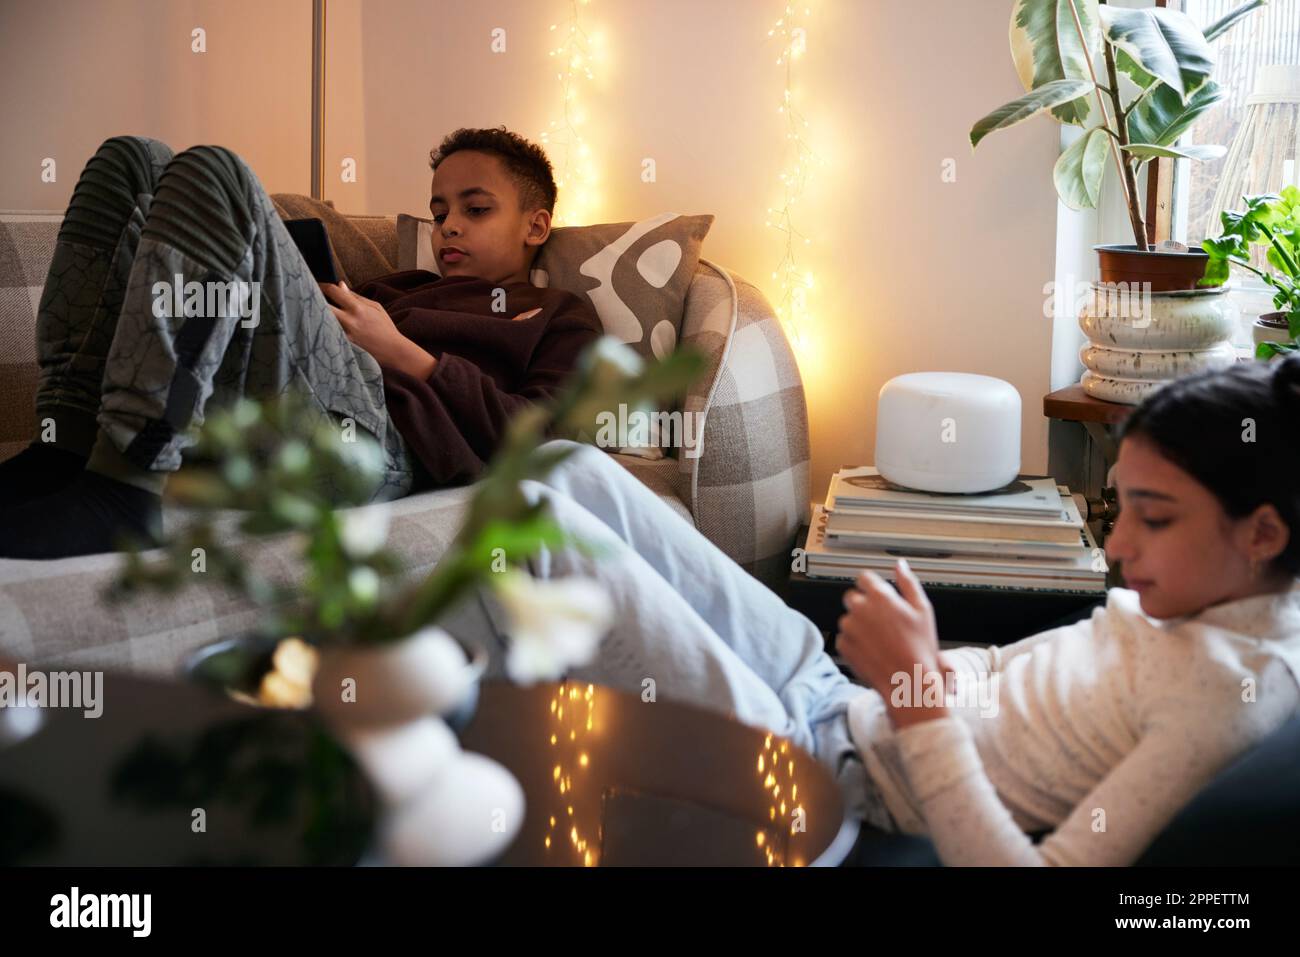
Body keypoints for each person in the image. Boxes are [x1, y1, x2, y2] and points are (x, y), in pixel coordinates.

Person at [455, 355, 1300, 866]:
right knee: (565, 466)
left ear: (1262, 532)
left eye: (1154, 519)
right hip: (833, 699)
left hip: (816, 784)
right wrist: (923, 669)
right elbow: (1027, 694)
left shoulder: (1220, 697)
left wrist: (920, 695)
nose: (1117, 551)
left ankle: (457, 767)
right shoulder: (1215, 601)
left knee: (525, 525)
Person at [0, 127, 602, 559]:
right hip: (284, 400)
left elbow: (552, 442)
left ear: (536, 224)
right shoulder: (401, 285)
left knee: (218, 170)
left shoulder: (559, 314)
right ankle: (66, 441)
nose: (449, 225)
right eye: (439, 209)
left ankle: (124, 488)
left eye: (476, 209)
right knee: (131, 159)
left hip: (381, 444)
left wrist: (407, 356)